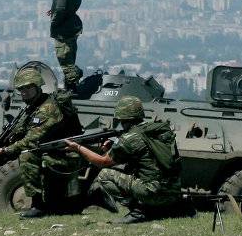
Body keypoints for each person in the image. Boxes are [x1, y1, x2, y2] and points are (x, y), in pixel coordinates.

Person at [65, 96, 184, 224]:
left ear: (122, 117)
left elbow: (102, 162)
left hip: (153, 192)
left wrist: (78, 147)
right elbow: (145, 157)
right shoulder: (159, 130)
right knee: (129, 170)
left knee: (105, 175)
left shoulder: (129, 138)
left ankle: (139, 212)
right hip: (174, 191)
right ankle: (169, 208)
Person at [0, 67, 83, 218]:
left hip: (67, 154)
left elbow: (32, 140)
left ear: (37, 87)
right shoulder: (33, 107)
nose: (24, 92)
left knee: (27, 156)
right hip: (53, 151)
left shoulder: (47, 108)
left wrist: (5, 151)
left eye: (28, 88)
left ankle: (38, 206)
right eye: (21, 89)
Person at [48, 0, 83, 91]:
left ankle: (72, 87)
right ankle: (72, 83)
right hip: (72, 25)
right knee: (69, 57)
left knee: (65, 59)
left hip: (63, 30)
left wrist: (54, 22)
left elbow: (60, 7)